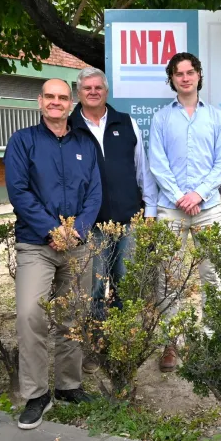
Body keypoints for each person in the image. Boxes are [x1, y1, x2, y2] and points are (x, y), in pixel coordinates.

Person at [5, 78, 102, 429]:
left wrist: (77, 229)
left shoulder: (84, 144)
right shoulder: (22, 141)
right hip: (36, 244)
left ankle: (69, 386)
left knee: (73, 315)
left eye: (63, 97)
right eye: (50, 96)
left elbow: (94, 192)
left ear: (71, 102)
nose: (56, 102)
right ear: (40, 101)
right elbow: (18, 191)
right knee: (30, 314)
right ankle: (35, 394)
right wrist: (52, 230)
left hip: (77, 244)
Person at [69, 67, 157, 373]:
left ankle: (120, 339)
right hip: (91, 226)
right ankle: (97, 343)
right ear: (78, 93)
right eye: (87, 88)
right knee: (94, 286)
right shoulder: (69, 127)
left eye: (98, 87)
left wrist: (149, 208)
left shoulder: (126, 122)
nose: (93, 92)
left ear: (106, 91)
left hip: (128, 220)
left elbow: (142, 169)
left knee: (125, 284)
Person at [147, 52, 221, 372]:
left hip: (207, 208)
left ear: (198, 75)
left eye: (189, 72)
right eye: (178, 73)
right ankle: (172, 341)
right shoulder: (161, 118)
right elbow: (158, 163)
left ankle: (213, 336)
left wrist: (198, 194)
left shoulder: (216, 118)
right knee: (169, 276)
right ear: (172, 80)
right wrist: (181, 196)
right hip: (171, 209)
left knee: (213, 273)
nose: (185, 77)